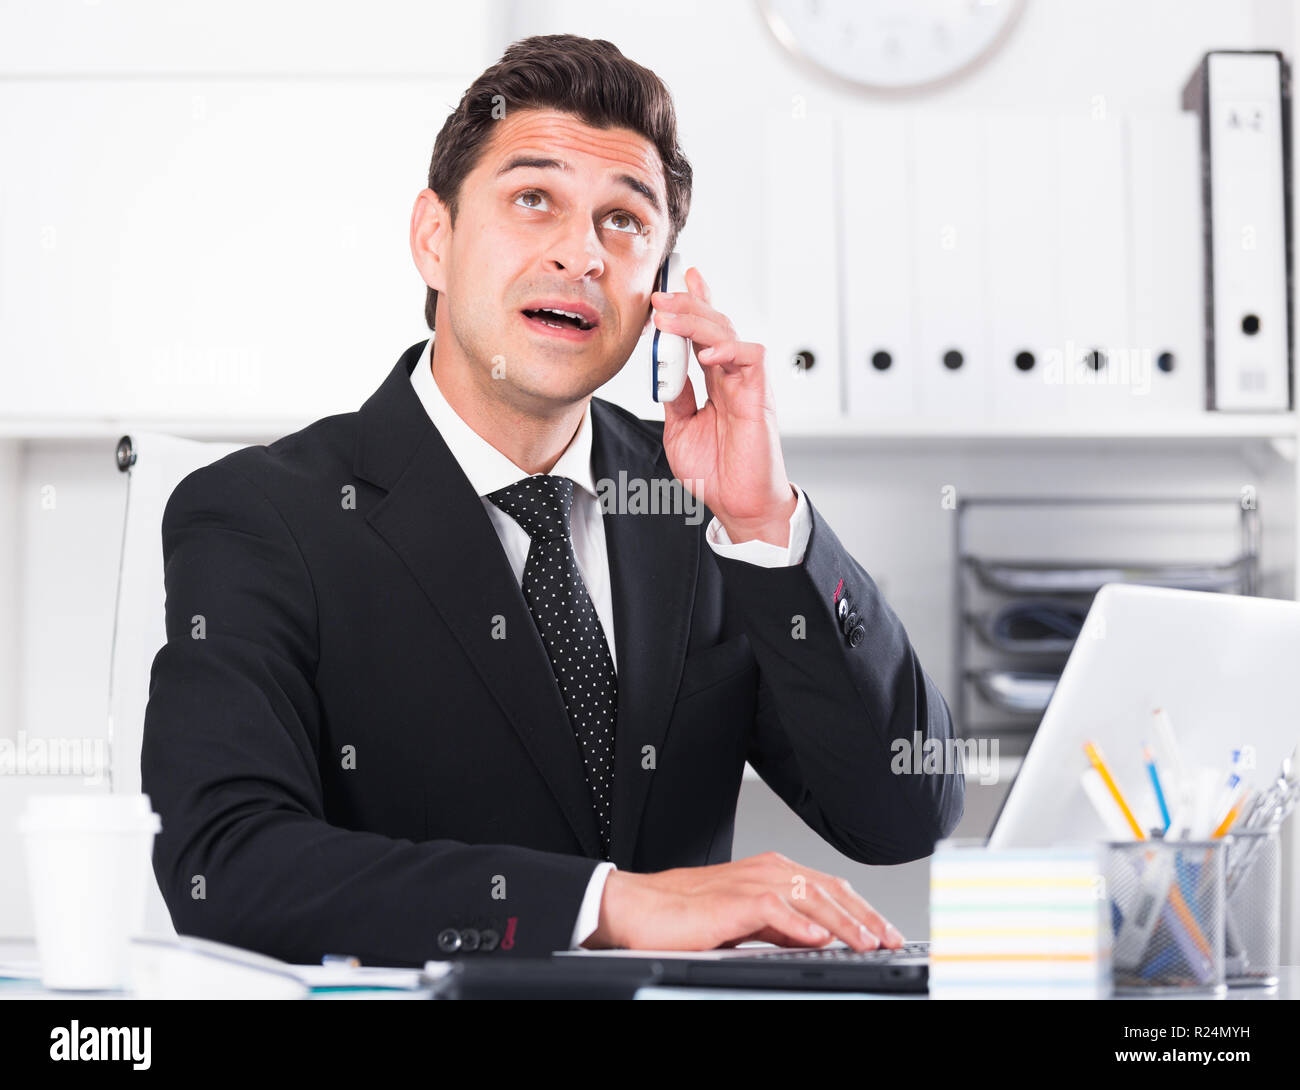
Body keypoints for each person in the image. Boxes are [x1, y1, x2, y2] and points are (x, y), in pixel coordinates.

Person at [141, 33, 964, 966]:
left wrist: (767, 524)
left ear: (656, 280)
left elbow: (902, 813)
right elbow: (225, 866)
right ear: (434, 239)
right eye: (534, 200)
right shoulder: (261, 515)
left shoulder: (701, 504)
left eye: (625, 221)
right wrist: (605, 905)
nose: (582, 252)